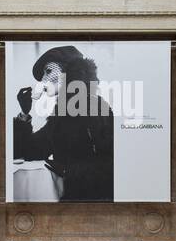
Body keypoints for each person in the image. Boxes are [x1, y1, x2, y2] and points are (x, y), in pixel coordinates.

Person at [12, 45, 114, 201]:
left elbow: (112, 164)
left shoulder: (95, 106)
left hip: (97, 202)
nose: (43, 80)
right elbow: (30, 151)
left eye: (48, 71)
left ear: (69, 72)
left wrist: (68, 170)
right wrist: (24, 114)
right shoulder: (60, 115)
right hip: (70, 199)